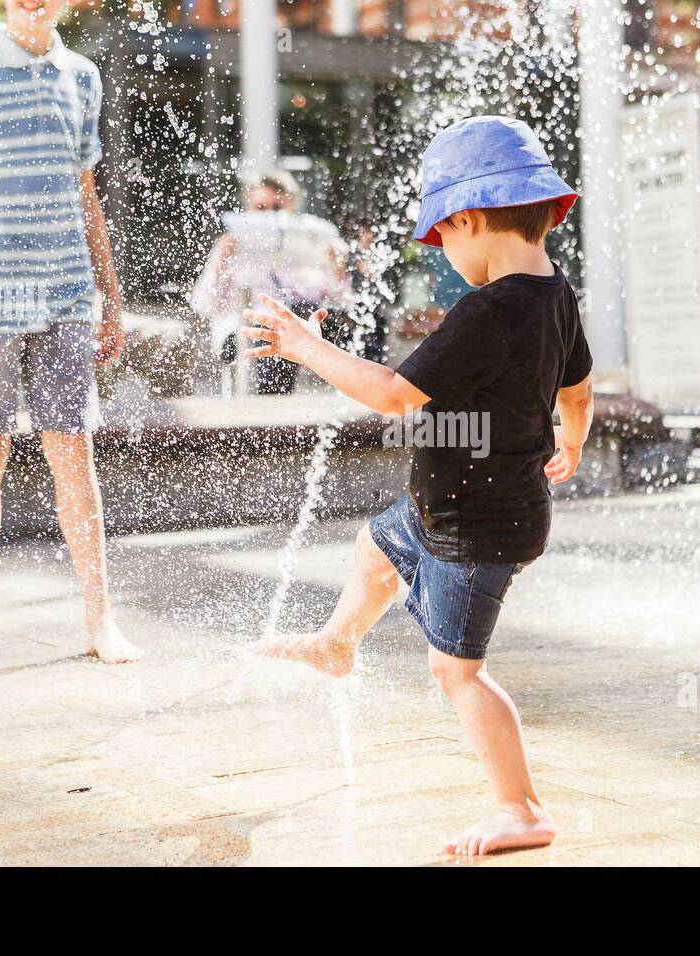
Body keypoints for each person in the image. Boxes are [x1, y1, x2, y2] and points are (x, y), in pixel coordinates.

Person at [242, 116, 594, 856]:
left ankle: (521, 807)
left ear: (469, 218)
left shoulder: (487, 309)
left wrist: (308, 347)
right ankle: (338, 644)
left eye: (445, 237)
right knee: (375, 545)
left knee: (458, 671)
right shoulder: (556, 295)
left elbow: (394, 395)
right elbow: (580, 389)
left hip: (478, 529)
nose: (446, 253)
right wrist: (572, 441)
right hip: (458, 507)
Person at [0, 0, 140, 669]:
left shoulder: (82, 76)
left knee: (75, 453)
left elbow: (85, 192)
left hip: (67, 295)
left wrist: (110, 293)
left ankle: (101, 620)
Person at [190, 171, 350, 394]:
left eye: (277, 209)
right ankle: (274, 407)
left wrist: (337, 267)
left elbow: (341, 298)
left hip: (301, 320)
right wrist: (221, 263)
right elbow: (204, 304)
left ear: (291, 207)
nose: (269, 217)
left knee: (337, 326)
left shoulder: (311, 241)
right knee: (274, 332)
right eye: (261, 209)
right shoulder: (232, 244)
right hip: (250, 325)